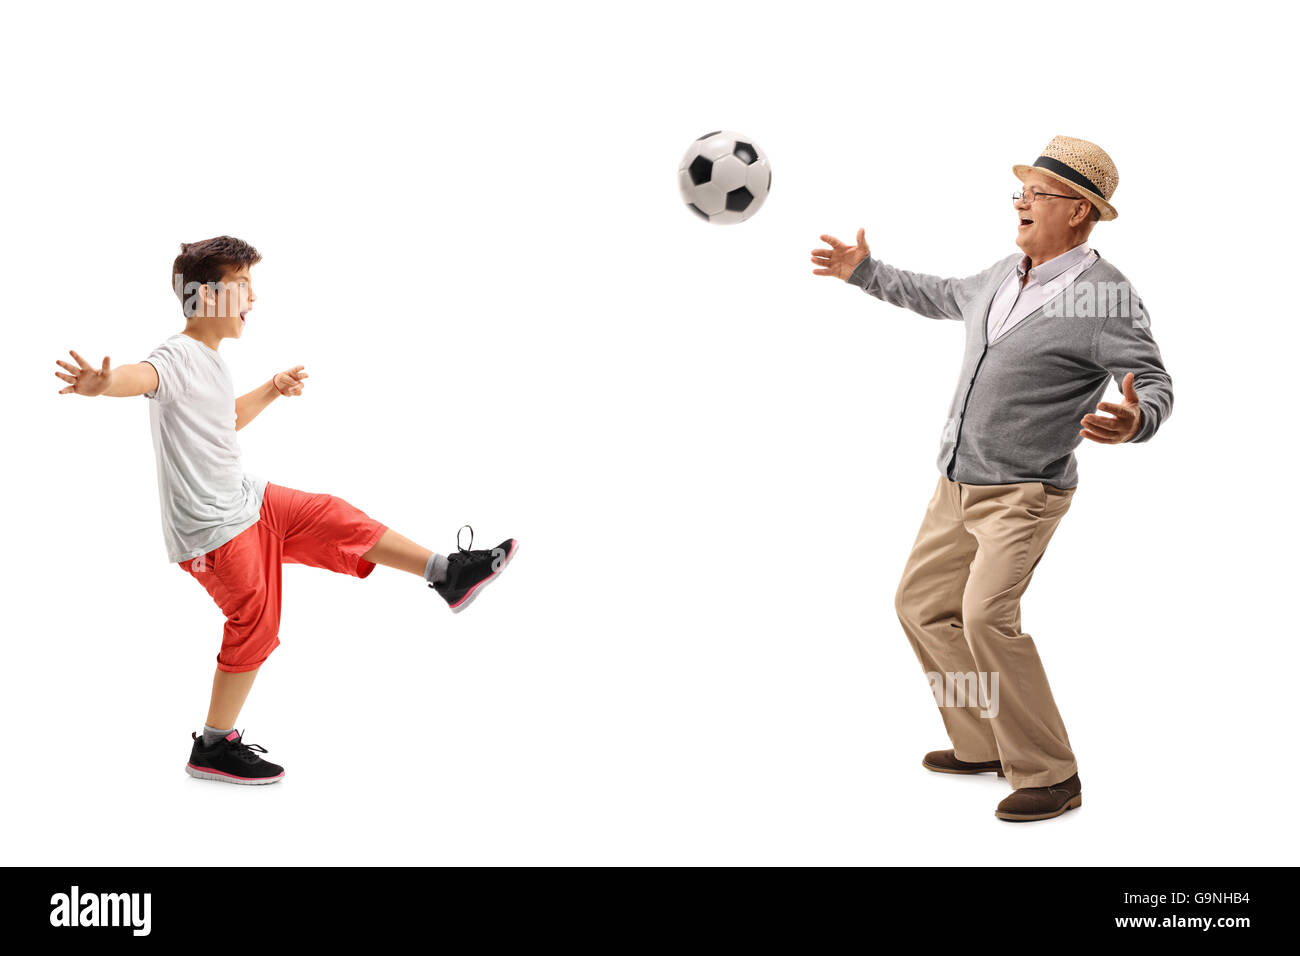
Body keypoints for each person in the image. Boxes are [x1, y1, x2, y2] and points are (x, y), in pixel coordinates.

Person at [54, 236, 518, 786]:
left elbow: (220, 422)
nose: (254, 298)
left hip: (249, 499)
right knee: (257, 619)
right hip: (213, 532)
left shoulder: (209, 362)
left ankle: (448, 573)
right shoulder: (175, 357)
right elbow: (140, 377)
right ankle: (213, 746)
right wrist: (104, 384)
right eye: (242, 285)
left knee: (335, 516)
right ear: (203, 297)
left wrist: (272, 389)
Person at [811, 136, 1173, 821]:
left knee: (985, 618)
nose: (1022, 203)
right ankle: (981, 742)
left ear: (1081, 212)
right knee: (920, 607)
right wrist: (865, 272)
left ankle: (1052, 773)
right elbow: (941, 294)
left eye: (1038, 193)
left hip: (1023, 494)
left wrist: (1135, 419)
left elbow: (1151, 378)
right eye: (1022, 191)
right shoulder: (1008, 272)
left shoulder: (1104, 298)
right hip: (954, 485)